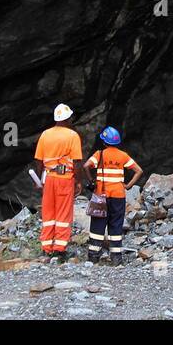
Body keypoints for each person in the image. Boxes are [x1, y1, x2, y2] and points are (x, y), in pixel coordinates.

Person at [81, 126, 142, 265]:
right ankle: (116, 258)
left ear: (104, 141)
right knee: (116, 224)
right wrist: (128, 185)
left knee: (98, 225)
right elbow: (139, 171)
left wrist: (92, 182)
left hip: (101, 195)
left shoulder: (100, 154)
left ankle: (93, 257)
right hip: (118, 195)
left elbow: (86, 166)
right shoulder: (123, 155)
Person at [32, 103, 83, 261]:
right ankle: (59, 249)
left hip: (48, 178)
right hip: (64, 179)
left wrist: (39, 180)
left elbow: (39, 161)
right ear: (67, 118)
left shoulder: (45, 135)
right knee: (63, 214)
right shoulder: (72, 136)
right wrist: (78, 181)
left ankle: (46, 247)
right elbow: (77, 162)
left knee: (48, 212)